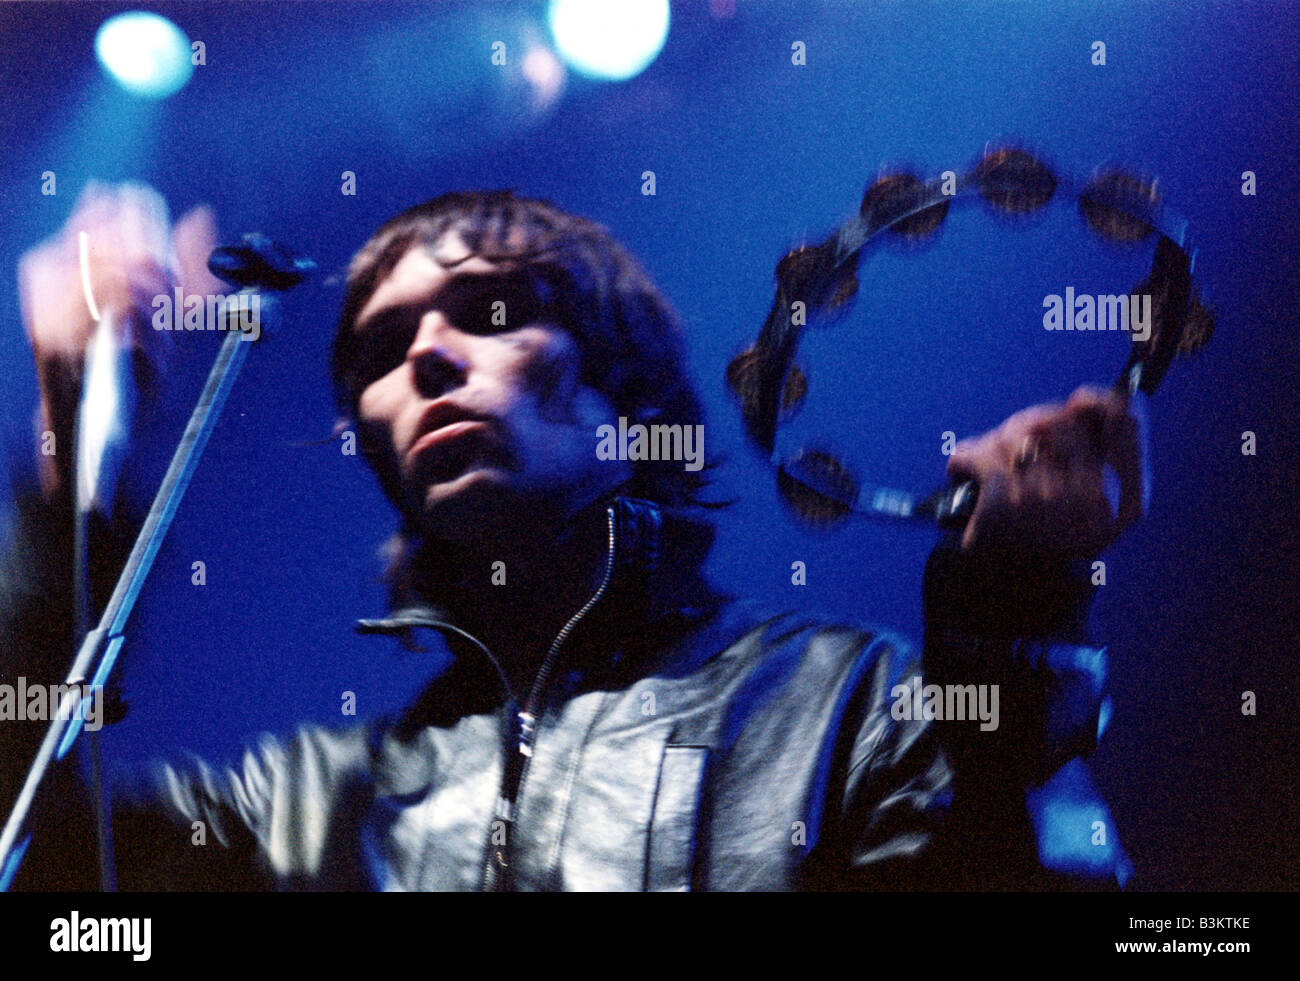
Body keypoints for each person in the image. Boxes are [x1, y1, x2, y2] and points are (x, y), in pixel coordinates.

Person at [0, 184, 1142, 890]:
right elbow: (39, 864)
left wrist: (1019, 610)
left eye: (490, 312)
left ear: (629, 401)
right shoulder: (299, 804)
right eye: (386, 351)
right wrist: (70, 475)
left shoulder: (848, 706)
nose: (426, 360)